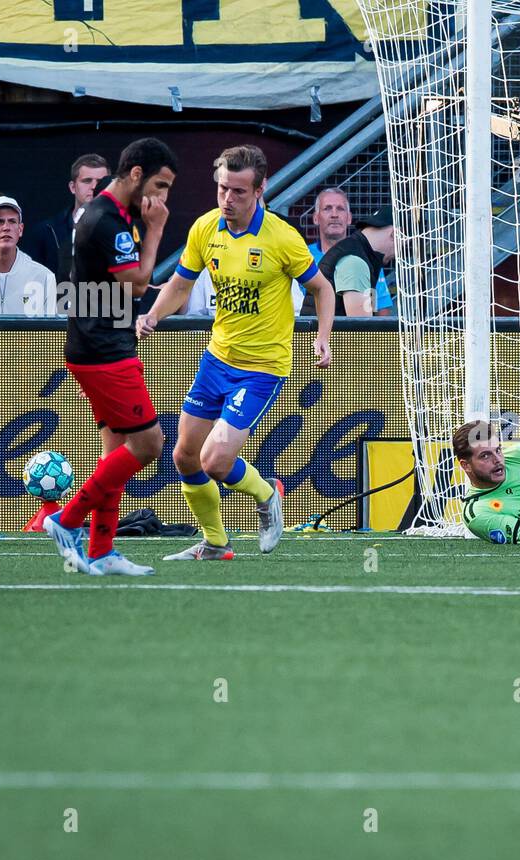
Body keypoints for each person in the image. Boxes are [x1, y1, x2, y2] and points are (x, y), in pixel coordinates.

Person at [138, 145, 336, 561]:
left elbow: (322, 288)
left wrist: (322, 335)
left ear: (261, 189)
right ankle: (215, 542)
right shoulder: (205, 229)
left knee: (214, 460)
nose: (228, 199)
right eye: (223, 188)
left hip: (261, 368)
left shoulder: (282, 238)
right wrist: (154, 315)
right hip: (216, 360)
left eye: (239, 192)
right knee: (184, 455)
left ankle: (267, 496)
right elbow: (180, 283)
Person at [43, 137, 177, 576]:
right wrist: (156, 231)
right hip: (103, 352)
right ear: (136, 174)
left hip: (96, 345)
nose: (162, 198)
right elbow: (137, 285)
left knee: (115, 452)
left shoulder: (111, 214)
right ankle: (66, 519)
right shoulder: (107, 220)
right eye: (160, 185)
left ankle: (101, 550)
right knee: (150, 443)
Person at [23, 153, 111, 282]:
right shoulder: (47, 232)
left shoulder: (124, 228)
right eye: (87, 181)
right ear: (72, 187)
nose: (93, 187)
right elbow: (32, 284)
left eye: (100, 182)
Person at [305, 187, 392, 315]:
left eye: (340, 209)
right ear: (316, 218)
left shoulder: (367, 258)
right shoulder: (302, 254)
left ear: (349, 218)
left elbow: (376, 308)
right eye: (327, 208)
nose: (334, 214)